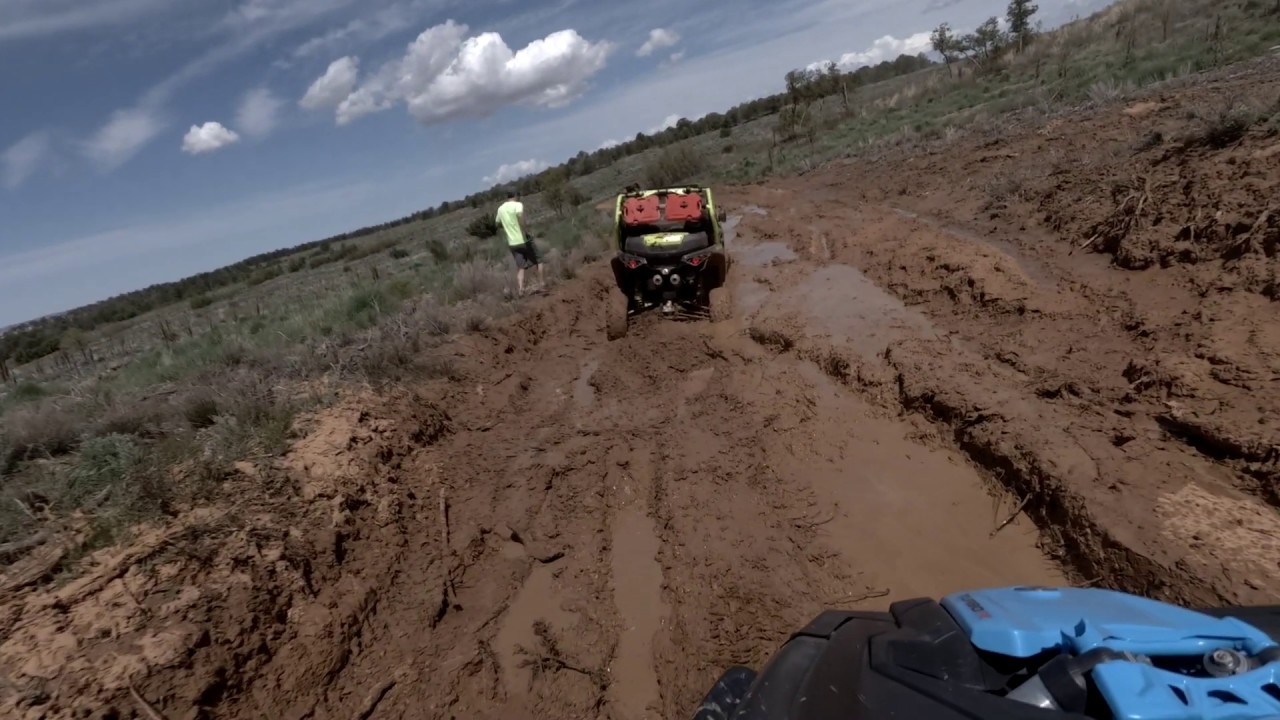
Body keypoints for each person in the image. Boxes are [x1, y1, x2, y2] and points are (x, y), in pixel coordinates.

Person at [495, 190, 543, 295]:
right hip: (523, 239)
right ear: (516, 195)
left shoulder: (500, 209)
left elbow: (497, 223)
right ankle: (541, 284)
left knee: (521, 267)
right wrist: (526, 230)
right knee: (539, 260)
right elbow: (520, 217)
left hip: (512, 243)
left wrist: (507, 226)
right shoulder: (518, 205)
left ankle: (521, 289)